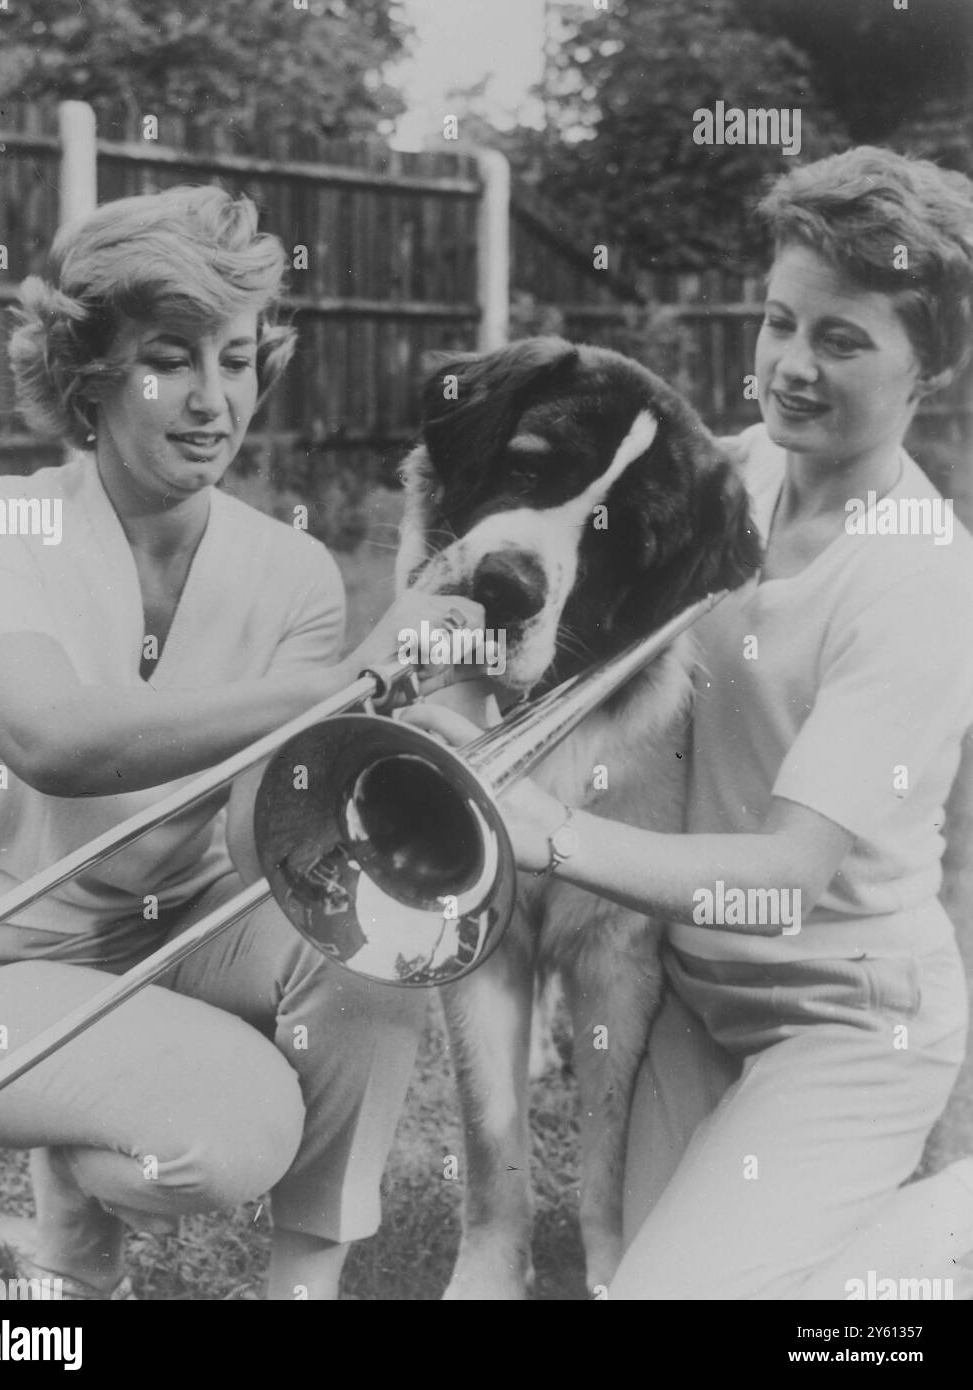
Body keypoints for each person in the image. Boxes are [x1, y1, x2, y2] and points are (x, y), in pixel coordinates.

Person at [406, 147, 973, 1299]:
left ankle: (944, 1233)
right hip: (691, 995)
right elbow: (509, 550)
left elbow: (787, 875)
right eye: (779, 323)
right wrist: (445, 639)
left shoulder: (921, 581)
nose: (791, 368)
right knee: (639, 1273)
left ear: (937, 365)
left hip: (844, 1014)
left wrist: (545, 836)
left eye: (844, 340)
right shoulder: (717, 475)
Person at [0, 185, 482, 1300]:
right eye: (168, 359)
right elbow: (53, 741)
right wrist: (345, 681)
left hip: (173, 929)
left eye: (234, 359)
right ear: (87, 375)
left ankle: (302, 1287)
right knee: (227, 1133)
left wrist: (391, 722)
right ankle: (62, 1233)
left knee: (380, 931)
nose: (210, 400)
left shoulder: (289, 573)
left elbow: (254, 843)